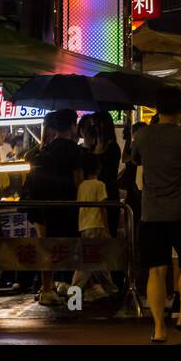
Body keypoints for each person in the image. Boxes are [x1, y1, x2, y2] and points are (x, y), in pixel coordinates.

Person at [131, 85, 181, 342]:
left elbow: (135, 160)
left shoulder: (143, 136)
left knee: (156, 271)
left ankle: (158, 328)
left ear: (156, 108)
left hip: (151, 214)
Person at [26, 109, 84, 305]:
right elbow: (78, 180)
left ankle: (47, 288)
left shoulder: (44, 151)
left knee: (47, 247)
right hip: (68, 207)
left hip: (44, 208)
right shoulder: (74, 151)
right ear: (72, 127)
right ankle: (72, 295)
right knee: (71, 249)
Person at [71, 149, 116, 303]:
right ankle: (74, 291)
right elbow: (102, 208)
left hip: (83, 225)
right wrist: (107, 228)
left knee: (95, 259)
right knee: (92, 260)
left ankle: (110, 289)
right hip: (97, 225)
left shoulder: (81, 186)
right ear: (99, 168)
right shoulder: (99, 185)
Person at [79, 111, 123, 235]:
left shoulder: (112, 147)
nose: (92, 129)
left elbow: (108, 172)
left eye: (94, 125)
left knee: (109, 231)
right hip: (93, 195)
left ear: (102, 125)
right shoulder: (92, 147)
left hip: (107, 194)